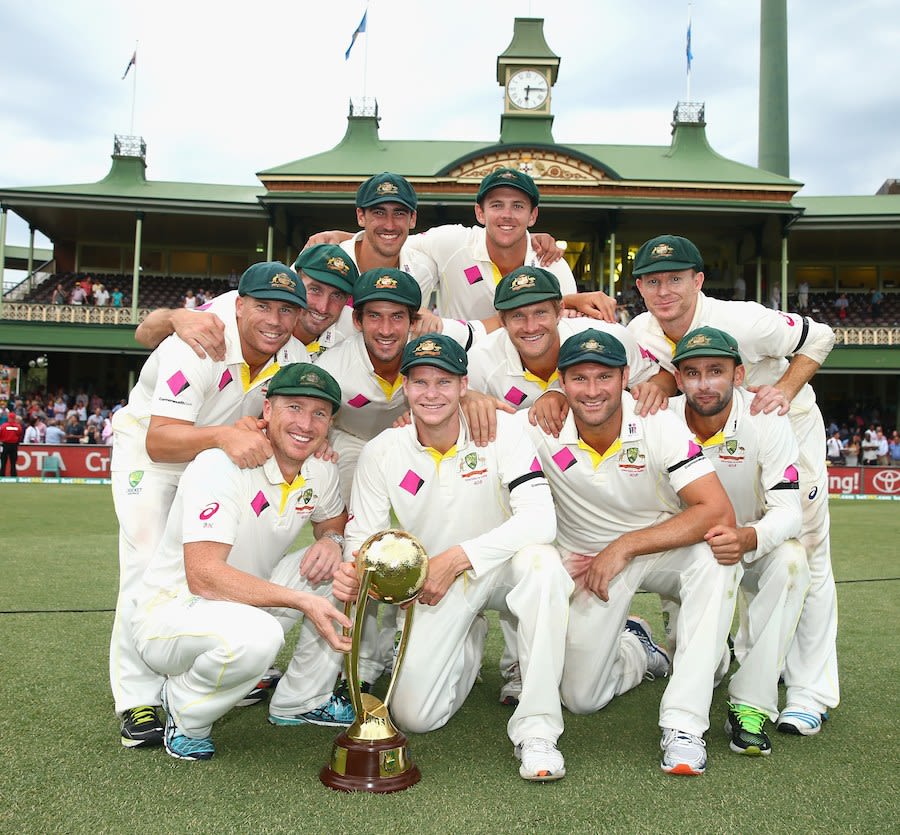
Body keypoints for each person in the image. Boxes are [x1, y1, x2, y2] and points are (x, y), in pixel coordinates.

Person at [332, 333, 572, 782]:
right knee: (416, 716)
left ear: (464, 386)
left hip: (504, 565)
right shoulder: (381, 451)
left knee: (545, 567)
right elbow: (362, 538)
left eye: (444, 382)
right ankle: (467, 640)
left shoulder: (505, 431)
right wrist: (357, 570)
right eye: (420, 382)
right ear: (405, 387)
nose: (432, 394)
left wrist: (460, 556)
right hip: (436, 586)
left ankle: (538, 730)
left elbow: (541, 520)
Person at [625, 234, 839, 736]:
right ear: (639, 287)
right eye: (652, 281)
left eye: (675, 279)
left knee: (804, 554)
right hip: (706, 433)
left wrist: (783, 390)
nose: (664, 291)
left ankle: (809, 691)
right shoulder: (639, 329)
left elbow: (821, 336)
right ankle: (714, 651)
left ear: (698, 280)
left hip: (782, 429)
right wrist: (660, 383)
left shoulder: (742, 320)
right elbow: (664, 373)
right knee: (695, 531)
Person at [109, 262, 309, 750]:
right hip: (152, 455)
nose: (275, 320)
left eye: (287, 310)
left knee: (219, 559)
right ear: (238, 306)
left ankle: (205, 664)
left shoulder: (295, 355)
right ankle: (138, 699)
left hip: (215, 456)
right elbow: (160, 441)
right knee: (147, 561)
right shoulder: (201, 340)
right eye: (263, 306)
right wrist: (222, 436)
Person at [524, 329, 739, 776]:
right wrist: (472, 401)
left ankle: (685, 725)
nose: (592, 390)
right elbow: (466, 419)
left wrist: (626, 545)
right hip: (589, 564)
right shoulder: (540, 426)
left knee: (715, 559)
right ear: (561, 382)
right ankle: (638, 647)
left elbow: (717, 510)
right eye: (579, 378)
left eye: (604, 376)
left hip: (657, 547)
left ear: (625, 377)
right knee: (581, 698)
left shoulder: (656, 422)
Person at [465, 265, 674, 704]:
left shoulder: (606, 337)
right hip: (530, 474)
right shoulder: (483, 358)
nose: (530, 325)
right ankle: (519, 664)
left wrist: (651, 386)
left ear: (560, 311)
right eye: (517, 316)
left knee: (578, 683)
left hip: (598, 475)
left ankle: (635, 641)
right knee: (521, 540)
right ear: (502, 321)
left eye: (540, 313)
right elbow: (451, 395)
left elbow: (663, 374)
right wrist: (470, 398)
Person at [132, 363, 352, 760]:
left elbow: (333, 519)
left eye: (319, 413)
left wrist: (332, 541)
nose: (305, 424)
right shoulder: (219, 465)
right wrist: (301, 600)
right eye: (294, 407)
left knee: (345, 566)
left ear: (330, 423)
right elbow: (204, 577)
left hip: (247, 598)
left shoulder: (321, 470)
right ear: (267, 409)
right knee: (258, 636)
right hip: (175, 611)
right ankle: (185, 710)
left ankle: (301, 700)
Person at [667, 326, 809, 756]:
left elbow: (789, 512)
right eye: (692, 373)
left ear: (739, 375)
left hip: (750, 541)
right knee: (704, 669)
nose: (704, 384)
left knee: (792, 560)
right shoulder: (661, 417)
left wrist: (748, 536)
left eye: (716, 371)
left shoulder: (765, 419)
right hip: (684, 550)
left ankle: (751, 703)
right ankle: (705, 652)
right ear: (678, 379)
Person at [133, 244, 360, 362]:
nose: (323, 306)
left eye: (337, 295)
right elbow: (143, 335)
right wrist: (174, 318)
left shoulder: (350, 328)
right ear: (296, 281)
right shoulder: (239, 306)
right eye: (314, 290)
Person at [0, 411, 24, 475]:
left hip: (5, 445)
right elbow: (20, 435)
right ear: (15, 418)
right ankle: (13, 475)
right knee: (13, 462)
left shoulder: (3, 426)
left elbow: (0, 434)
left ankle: (2, 475)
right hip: (14, 446)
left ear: (8, 418)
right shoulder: (18, 427)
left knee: (3, 462)